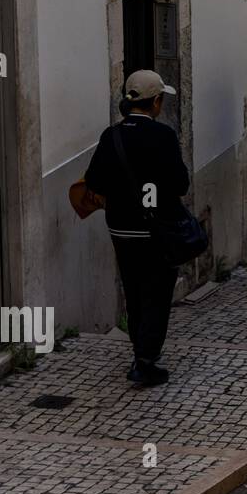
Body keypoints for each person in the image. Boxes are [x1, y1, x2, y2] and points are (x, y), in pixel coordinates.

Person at [84, 71, 190, 386]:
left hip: (121, 229)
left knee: (133, 291)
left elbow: (94, 181)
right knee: (157, 293)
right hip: (156, 230)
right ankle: (145, 360)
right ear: (156, 102)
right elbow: (180, 184)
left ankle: (140, 352)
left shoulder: (111, 136)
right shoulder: (164, 137)